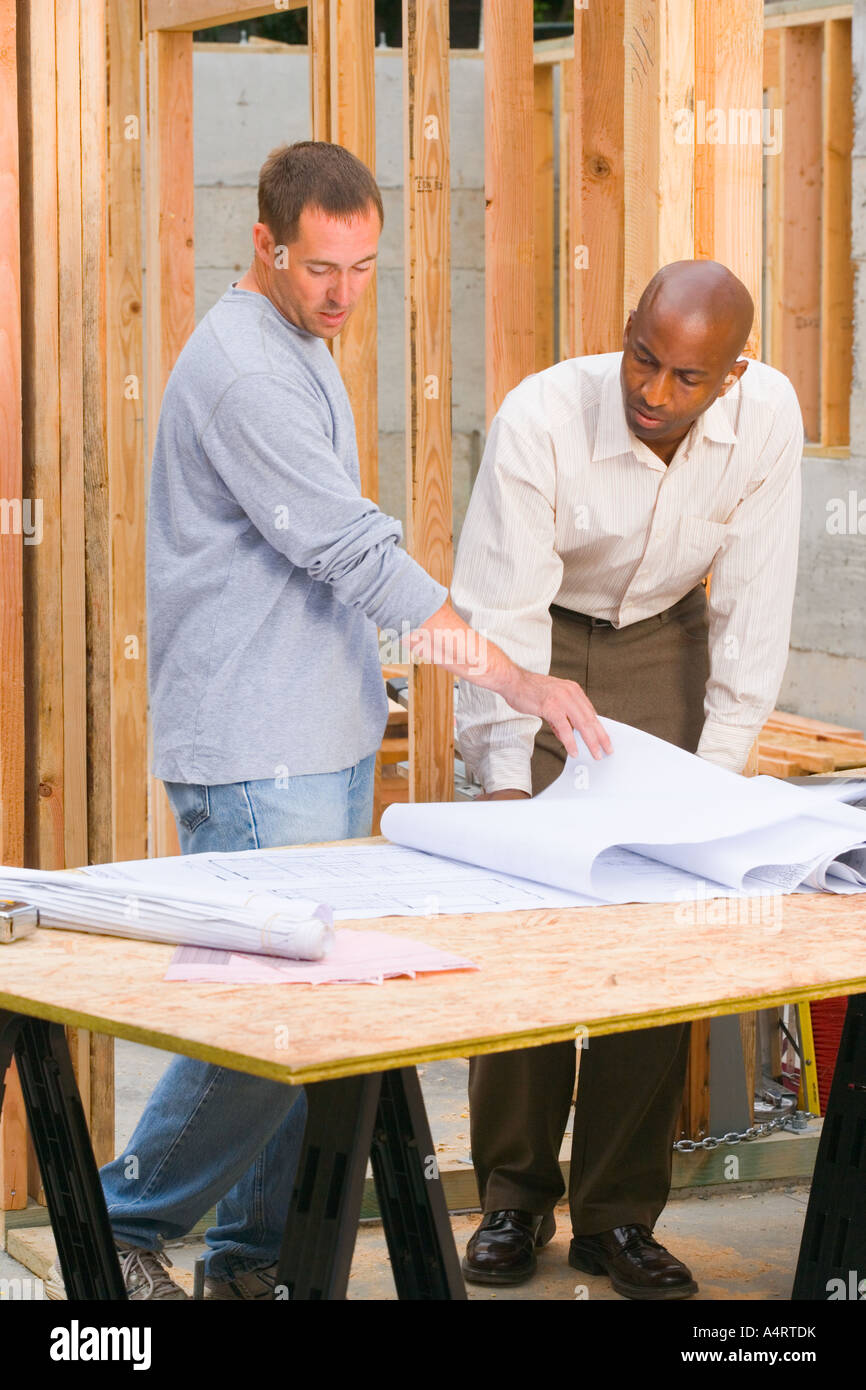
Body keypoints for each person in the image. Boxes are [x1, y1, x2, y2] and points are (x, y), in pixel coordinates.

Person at [47, 140, 609, 1302]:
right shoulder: (250, 372)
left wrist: (374, 687)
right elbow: (353, 551)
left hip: (316, 736)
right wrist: (516, 678)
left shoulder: (297, 342)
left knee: (309, 1032)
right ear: (264, 246)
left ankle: (252, 1265)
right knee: (272, 1016)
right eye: (319, 268)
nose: (343, 292)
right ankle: (117, 1222)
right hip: (262, 753)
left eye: (360, 266)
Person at [453, 260, 803, 1300]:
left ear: (730, 376)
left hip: (666, 641)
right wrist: (503, 789)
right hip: (542, 645)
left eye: (684, 378)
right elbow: (499, 611)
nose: (652, 392)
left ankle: (615, 1218)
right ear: (623, 330)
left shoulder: (767, 416)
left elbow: (754, 601)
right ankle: (513, 1196)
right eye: (641, 359)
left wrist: (713, 793)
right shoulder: (540, 420)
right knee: (528, 932)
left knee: (658, 936)